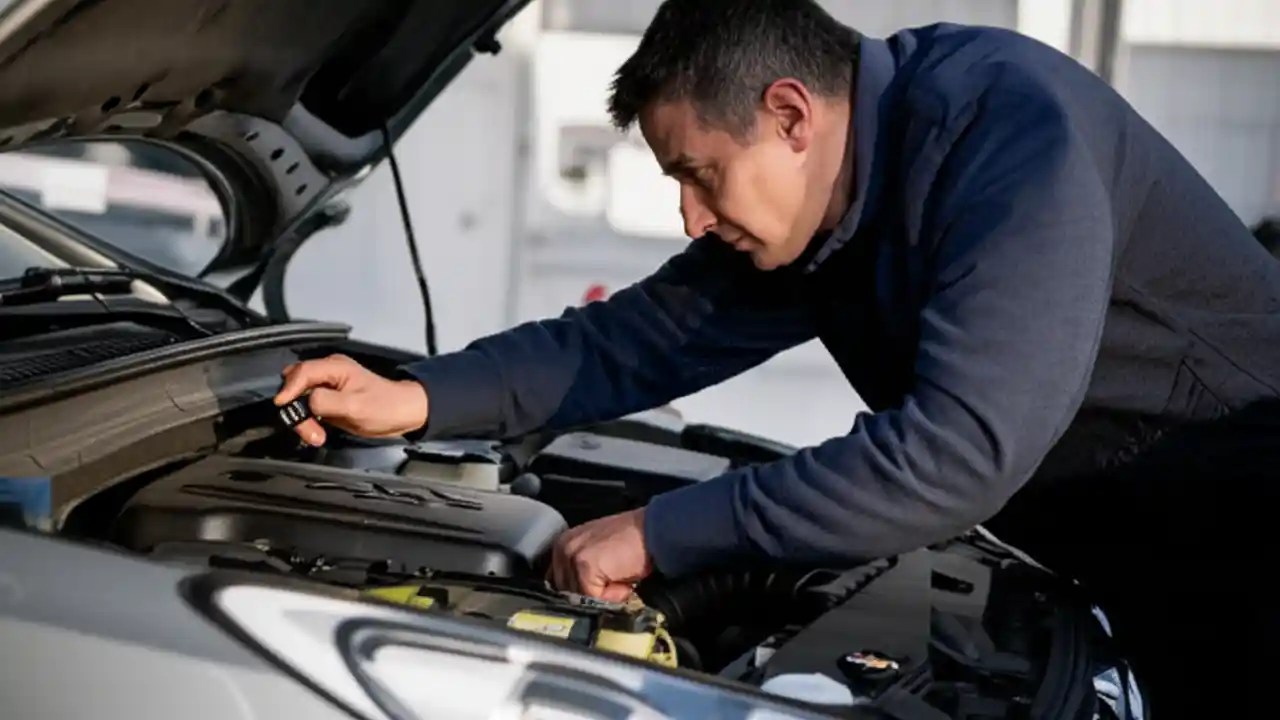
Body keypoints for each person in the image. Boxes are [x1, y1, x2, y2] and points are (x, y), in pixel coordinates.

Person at [275, 0, 1280, 713]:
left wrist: (659, 534)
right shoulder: (823, 207)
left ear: (790, 116)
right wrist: (410, 398)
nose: (687, 213)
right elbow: (630, 342)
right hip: (1132, 578)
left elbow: (953, 456)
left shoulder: (1010, 136)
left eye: (697, 174)